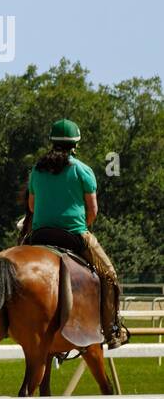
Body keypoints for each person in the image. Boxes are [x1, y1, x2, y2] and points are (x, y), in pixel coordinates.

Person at [25, 118, 128, 349]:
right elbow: (93, 211)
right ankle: (112, 331)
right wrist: (81, 224)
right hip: (74, 235)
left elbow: (31, 207)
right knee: (110, 275)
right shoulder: (83, 171)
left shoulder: (36, 170)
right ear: (75, 145)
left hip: (40, 235)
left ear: (52, 143)